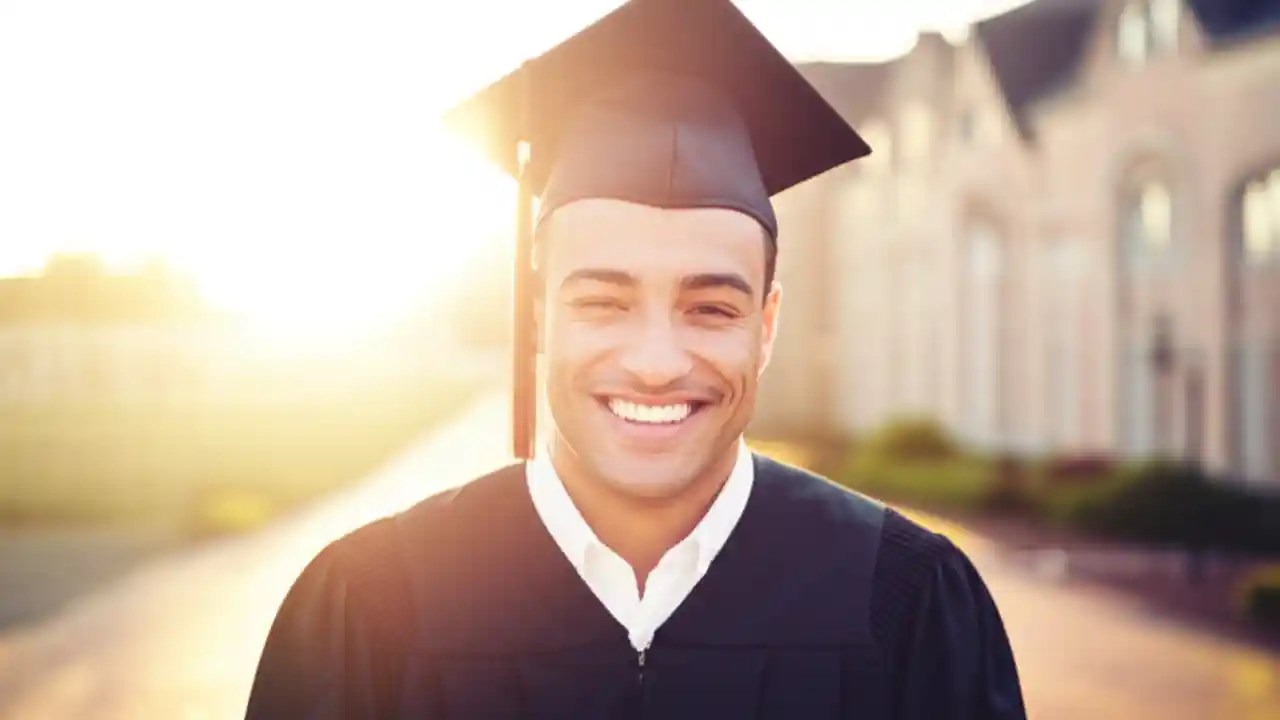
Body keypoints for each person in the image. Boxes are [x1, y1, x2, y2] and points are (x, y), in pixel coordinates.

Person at [244, 0, 1027, 717]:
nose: (657, 362)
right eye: (604, 302)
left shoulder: (903, 602)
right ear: (537, 312)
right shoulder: (374, 608)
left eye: (710, 308)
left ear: (767, 323)